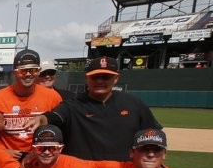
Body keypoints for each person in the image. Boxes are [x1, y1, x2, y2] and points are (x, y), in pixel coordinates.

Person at [31, 56, 161, 161]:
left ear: (116, 78)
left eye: (105, 77)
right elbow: (55, 116)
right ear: (87, 78)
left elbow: (152, 135)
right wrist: (42, 118)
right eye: (95, 77)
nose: (99, 81)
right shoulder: (74, 104)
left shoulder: (133, 103)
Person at [0, 49, 62, 158]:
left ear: (38, 71)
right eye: (23, 71)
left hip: (42, 157)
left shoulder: (52, 96)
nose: (28, 74)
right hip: (9, 158)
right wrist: (1, 151)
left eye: (32, 70)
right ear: (14, 73)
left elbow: (63, 128)